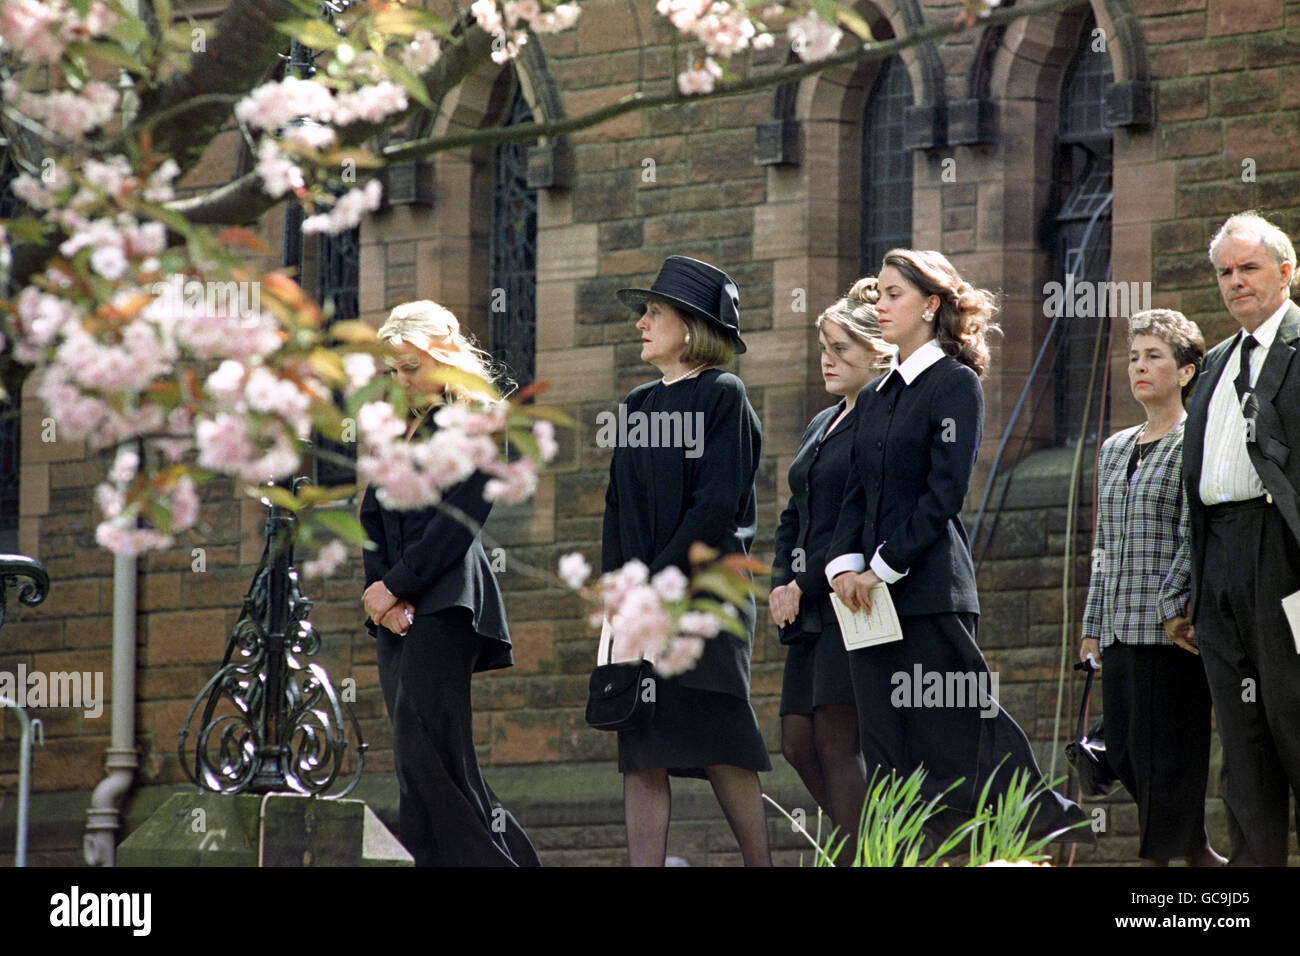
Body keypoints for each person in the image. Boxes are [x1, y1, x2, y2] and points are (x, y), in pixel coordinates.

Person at [825, 248, 1086, 841]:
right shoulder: (874, 397)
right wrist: (844, 567)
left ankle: (1042, 829)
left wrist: (881, 569)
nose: (882, 305)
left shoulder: (954, 383)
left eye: (895, 294)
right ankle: (904, 850)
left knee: (961, 730)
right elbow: (854, 495)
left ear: (931, 304)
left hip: (929, 590)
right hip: (866, 601)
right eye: (878, 295)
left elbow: (944, 495)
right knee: (886, 744)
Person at [602, 255, 772, 866]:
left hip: (703, 604)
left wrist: (656, 582)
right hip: (639, 607)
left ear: (692, 326)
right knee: (642, 743)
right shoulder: (638, 404)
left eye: (654, 313)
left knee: (722, 741)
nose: (641, 324)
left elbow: (716, 506)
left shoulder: (724, 395)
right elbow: (617, 507)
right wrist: (618, 590)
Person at [359, 300, 539, 866]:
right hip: (397, 609)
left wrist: (397, 586)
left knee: (428, 757)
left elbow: (457, 522)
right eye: (391, 370)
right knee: (423, 764)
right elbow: (373, 516)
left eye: (409, 367)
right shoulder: (397, 429)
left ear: (443, 356)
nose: (401, 380)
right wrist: (378, 594)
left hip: (445, 604)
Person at [1078, 308, 1224, 866]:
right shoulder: (1115, 448)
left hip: (1172, 632)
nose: (1139, 366)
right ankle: (1201, 857)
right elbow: (1103, 545)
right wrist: (1092, 625)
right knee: (1132, 757)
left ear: (1186, 371)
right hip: (1117, 629)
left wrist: (1173, 606)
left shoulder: (1198, 439)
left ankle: (1155, 873)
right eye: (1134, 356)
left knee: (1171, 756)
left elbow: (1195, 532)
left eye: (1154, 356)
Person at [1179, 210, 1300, 866]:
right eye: (1224, 272)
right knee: (1242, 736)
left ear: (1287, 272)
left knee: (1294, 716)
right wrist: (1190, 586)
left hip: (1285, 555)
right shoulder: (1219, 362)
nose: (1235, 282)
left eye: (1248, 268)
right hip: (1218, 557)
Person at [770, 278, 891, 834]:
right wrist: (780, 582)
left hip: (849, 598)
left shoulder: (879, 416)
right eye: (824, 349)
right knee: (796, 742)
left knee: (837, 741)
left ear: (877, 351)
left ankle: (863, 854)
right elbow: (795, 511)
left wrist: (807, 583)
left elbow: (857, 516)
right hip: (808, 606)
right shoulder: (823, 421)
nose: (828, 360)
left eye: (841, 349)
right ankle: (864, 843)